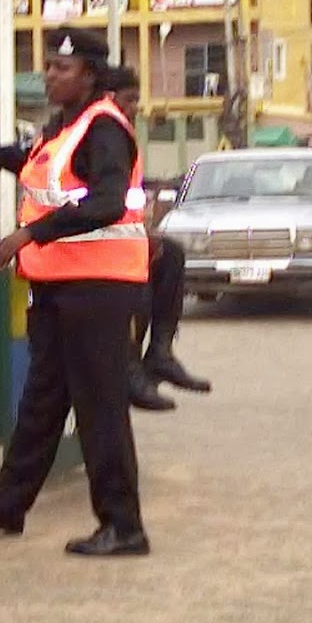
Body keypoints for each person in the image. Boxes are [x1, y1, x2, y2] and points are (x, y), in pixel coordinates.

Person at [0, 29, 150, 557]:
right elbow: (40, 170)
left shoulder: (105, 128)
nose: (51, 76)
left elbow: (108, 202)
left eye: (63, 68)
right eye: (49, 67)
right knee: (41, 403)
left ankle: (124, 526)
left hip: (98, 288)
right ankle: (7, 507)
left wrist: (28, 234)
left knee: (100, 409)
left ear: (89, 74)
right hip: (59, 287)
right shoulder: (66, 127)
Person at [102, 65, 213, 412]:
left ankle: (161, 352)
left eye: (137, 100)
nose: (135, 107)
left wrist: (146, 230)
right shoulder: (102, 135)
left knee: (171, 255)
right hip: (92, 242)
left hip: (123, 234)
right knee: (139, 283)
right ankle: (130, 368)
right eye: (129, 99)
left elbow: (129, 198)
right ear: (108, 98)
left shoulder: (123, 136)